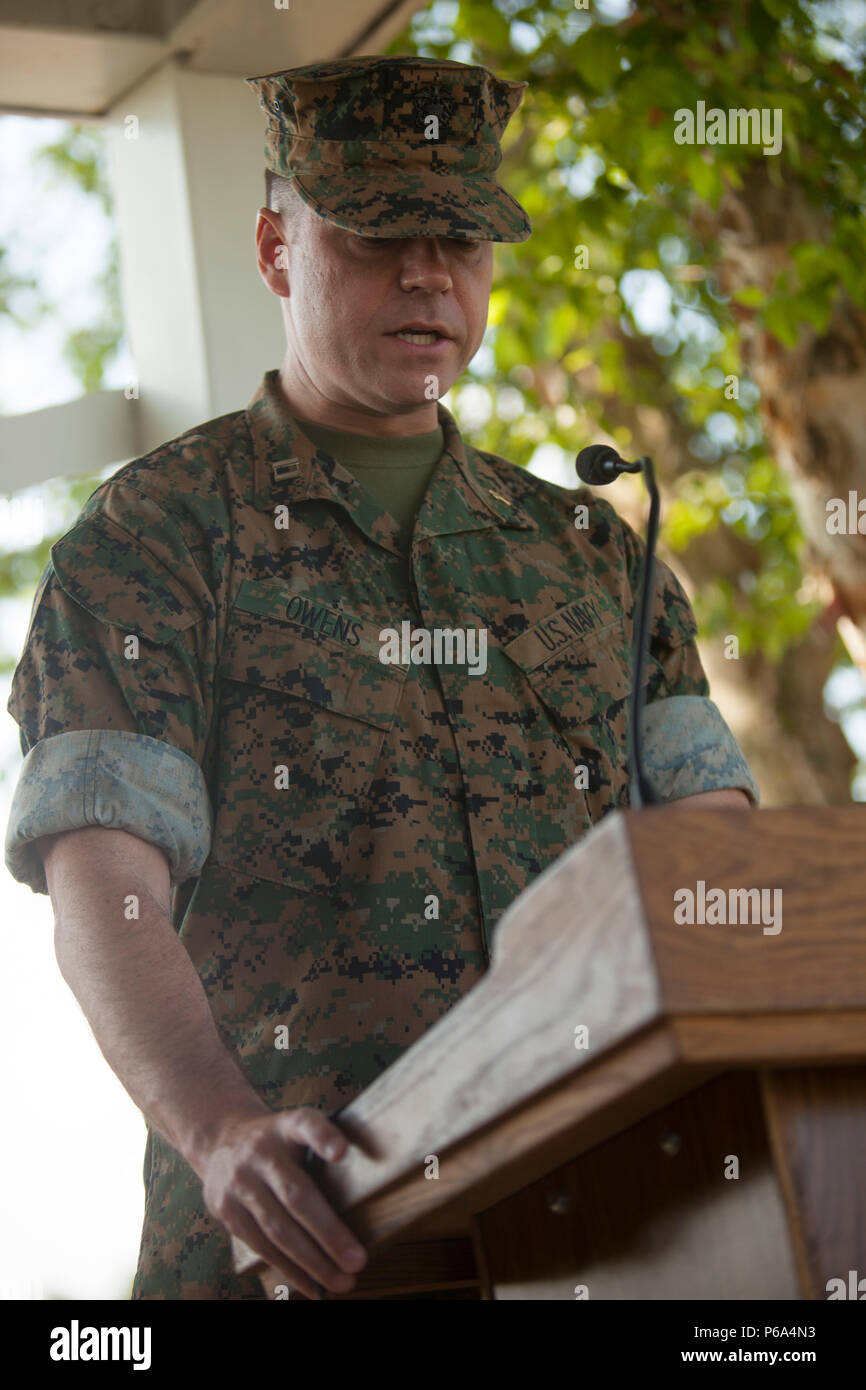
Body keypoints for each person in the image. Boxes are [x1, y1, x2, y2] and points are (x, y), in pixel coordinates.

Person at [4, 54, 758, 1301]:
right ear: (275, 247)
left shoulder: (593, 556)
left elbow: (709, 860)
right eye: (376, 232)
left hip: (611, 1226)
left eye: (461, 239)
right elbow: (104, 872)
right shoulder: (157, 532)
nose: (427, 273)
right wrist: (216, 1128)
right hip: (305, 1240)